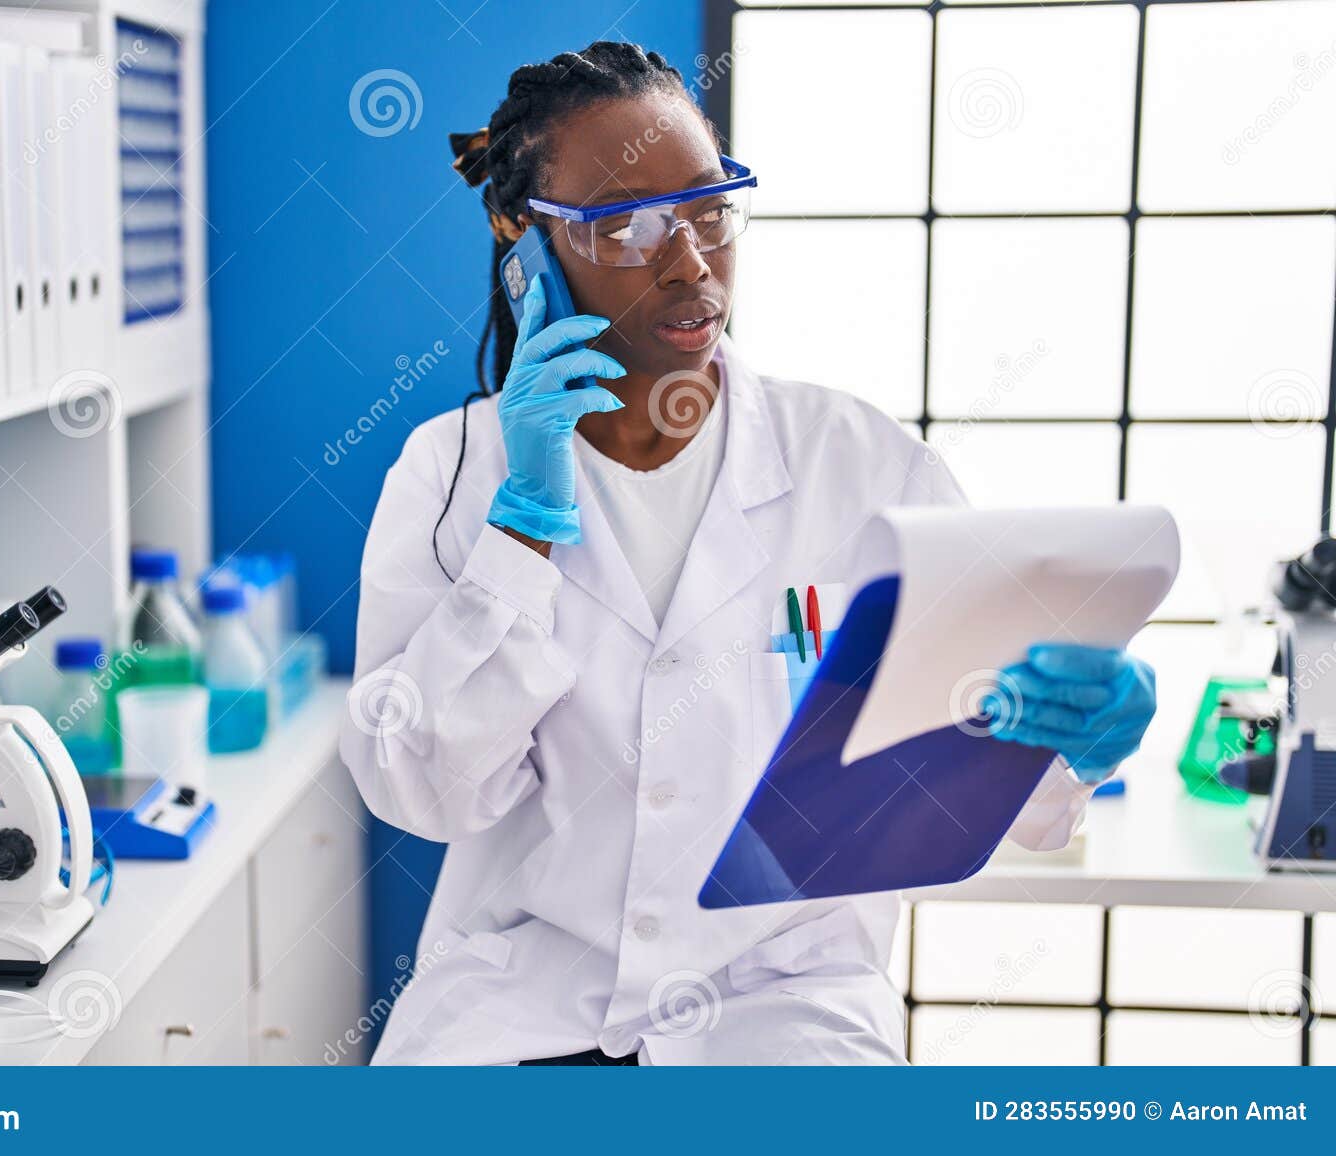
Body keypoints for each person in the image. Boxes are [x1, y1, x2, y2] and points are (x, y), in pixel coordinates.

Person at [339, 41, 1155, 1066]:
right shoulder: (450, 471)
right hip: (517, 1002)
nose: (687, 261)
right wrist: (520, 535)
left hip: (783, 1005)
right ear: (527, 247)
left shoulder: (862, 467)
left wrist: (1064, 738)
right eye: (628, 224)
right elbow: (421, 790)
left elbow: (957, 780)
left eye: (710, 209)